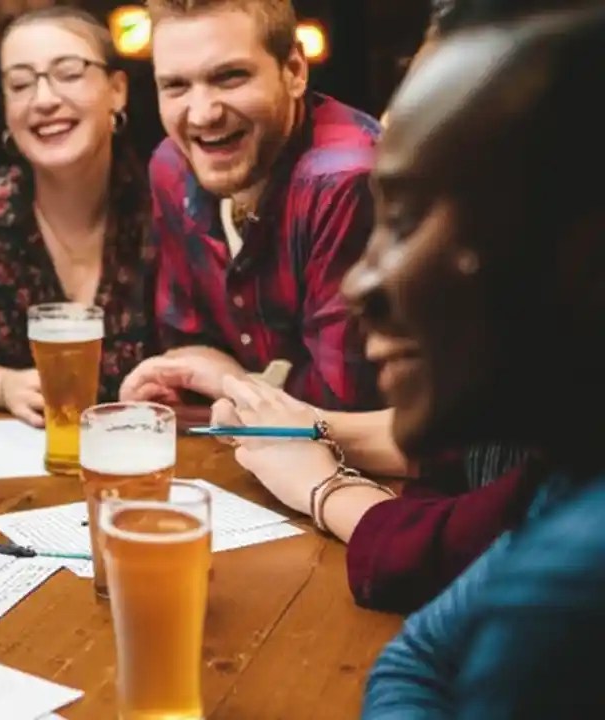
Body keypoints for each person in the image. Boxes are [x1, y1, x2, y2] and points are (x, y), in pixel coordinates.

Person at [135, 0, 587, 615]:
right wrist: (291, 424)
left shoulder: (342, 173)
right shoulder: (548, 422)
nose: (368, 281)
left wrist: (320, 480)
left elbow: (443, 548)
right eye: (175, 85)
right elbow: (462, 458)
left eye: (413, 213)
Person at [357, 7, 605, 715]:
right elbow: (419, 655)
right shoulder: (570, 481)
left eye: (405, 220)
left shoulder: (573, 580)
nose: (361, 283)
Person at [122, 0, 382, 413]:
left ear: (294, 71)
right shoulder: (171, 166)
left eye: (230, 77)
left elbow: (345, 403)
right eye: (176, 86)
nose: (203, 114)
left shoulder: (343, 179)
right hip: (244, 460)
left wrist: (229, 382)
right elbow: (182, 352)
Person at [0, 6, 154, 425]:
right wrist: (1, 385)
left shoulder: (166, 207)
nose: (43, 100)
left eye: (69, 73)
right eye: (20, 84)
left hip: (147, 469)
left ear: (117, 90)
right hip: (5, 479)